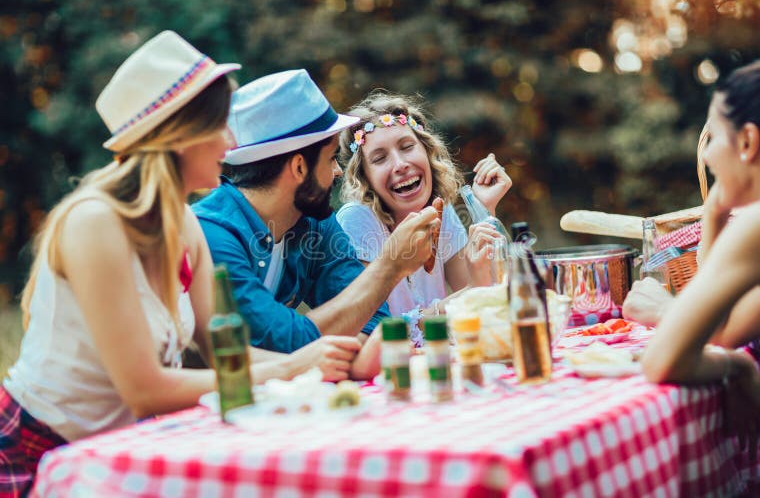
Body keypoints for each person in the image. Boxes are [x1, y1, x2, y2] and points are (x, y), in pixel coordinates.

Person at [0, 32, 365, 495]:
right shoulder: (96, 223)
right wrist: (290, 369)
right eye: (219, 127)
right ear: (179, 138)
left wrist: (330, 364)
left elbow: (225, 356)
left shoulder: (184, 226)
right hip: (35, 452)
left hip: (112, 454)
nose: (230, 143)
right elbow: (144, 390)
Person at [192, 71, 438, 354]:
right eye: (332, 158)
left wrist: (323, 345)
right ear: (298, 167)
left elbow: (373, 323)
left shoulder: (314, 223)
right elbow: (279, 340)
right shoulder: (213, 235)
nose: (337, 171)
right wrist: (389, 267)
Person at [641, 56, 760, 457]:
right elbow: (720, 327)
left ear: (747, 142)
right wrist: (715, 210)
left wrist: (736, 366)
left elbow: (662, 359)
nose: (707, 155)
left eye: (713, 137)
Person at [335, 92, 512, 334]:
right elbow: (377, 330)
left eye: (407, 147)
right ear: (365, 178)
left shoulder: (442, 211)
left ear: (428, 153)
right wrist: (470, 292)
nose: (400, 165)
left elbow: (493, 302)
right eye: (379, 158)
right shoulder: (357, 220)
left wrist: (484, 210)